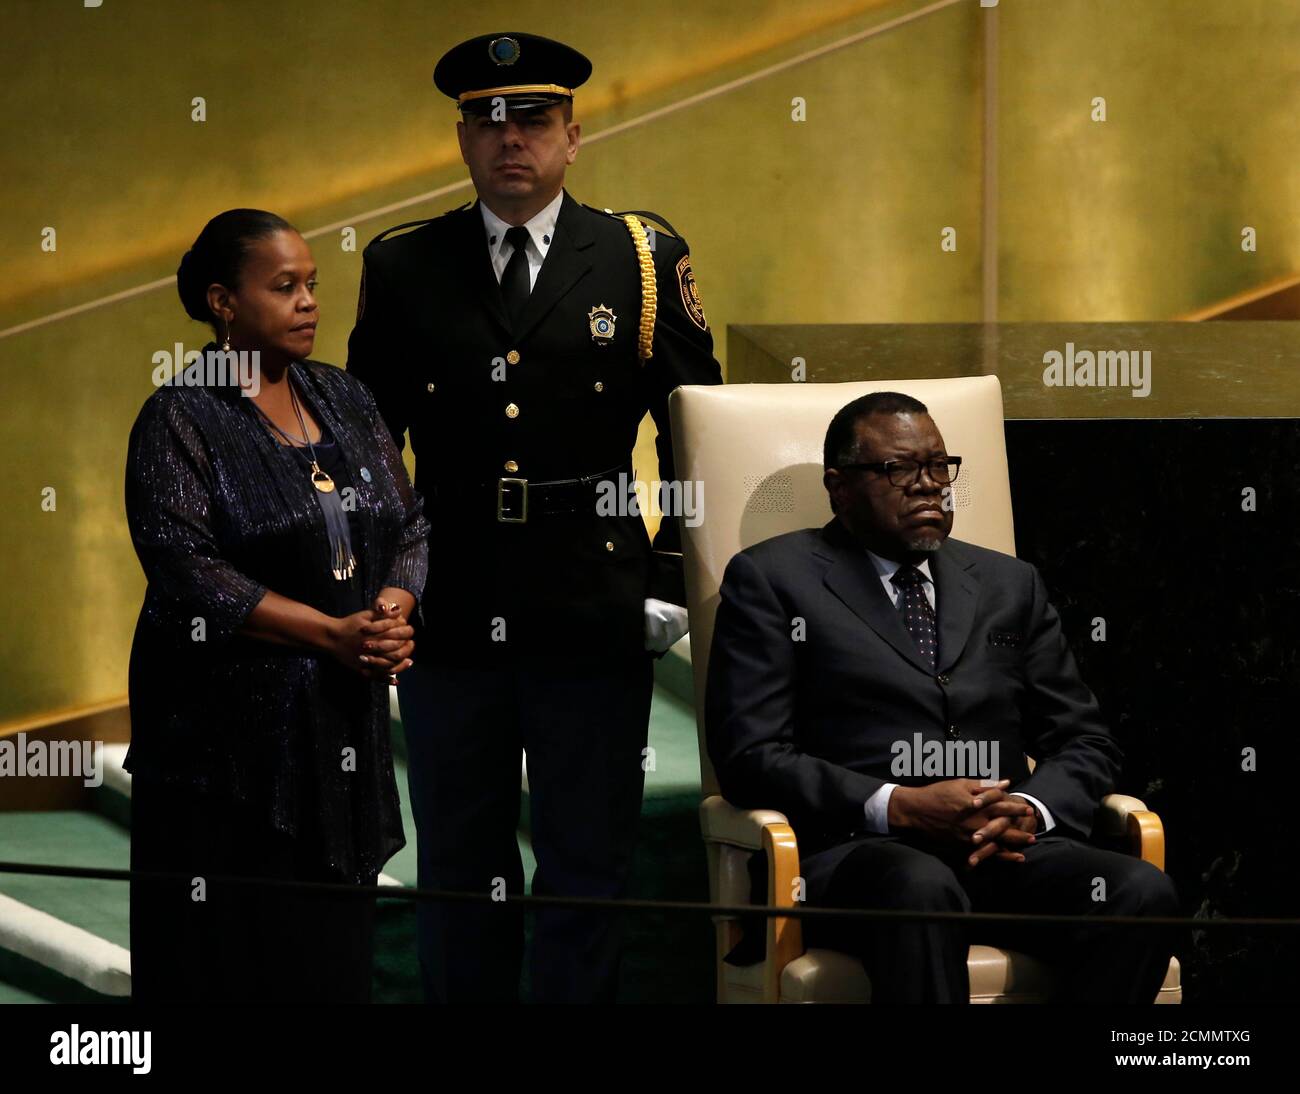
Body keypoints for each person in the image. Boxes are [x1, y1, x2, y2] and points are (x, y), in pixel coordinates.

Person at [346, 32, 723, 1003]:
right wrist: (379, 584)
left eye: (534, 120)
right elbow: (368, 444)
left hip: (593, 599)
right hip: (452, 600)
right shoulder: (404, 265)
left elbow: (696, 430)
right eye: (488, 120)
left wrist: (671, 578)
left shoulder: (639, 257)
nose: (510, 138)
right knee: (460, 867)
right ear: (462, 139)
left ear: (574, 135)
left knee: (585, 861)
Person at [705, 391, 1180, 1003]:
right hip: (861, 857)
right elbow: (749, 754)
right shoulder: (773, 580)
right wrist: (897, 804)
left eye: (938, 466)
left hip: (1006, 850)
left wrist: (1030, 809)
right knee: (920, 883)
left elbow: (1084, 738)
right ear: (839, 486)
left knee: (1140, 892)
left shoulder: (1010, 583)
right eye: (898, 470)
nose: (928, 486)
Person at [124, 208, 430, 1002]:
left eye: (313, 285)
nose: (308, 304)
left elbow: (410, 520)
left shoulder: (346, 397)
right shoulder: (180, 417)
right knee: (228, 963)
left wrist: (393, 608)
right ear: (224, 302)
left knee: (326, 961)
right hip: (224, 751)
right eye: (284, 286)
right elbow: (187, 568)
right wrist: (330, 632)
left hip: (337, 729)